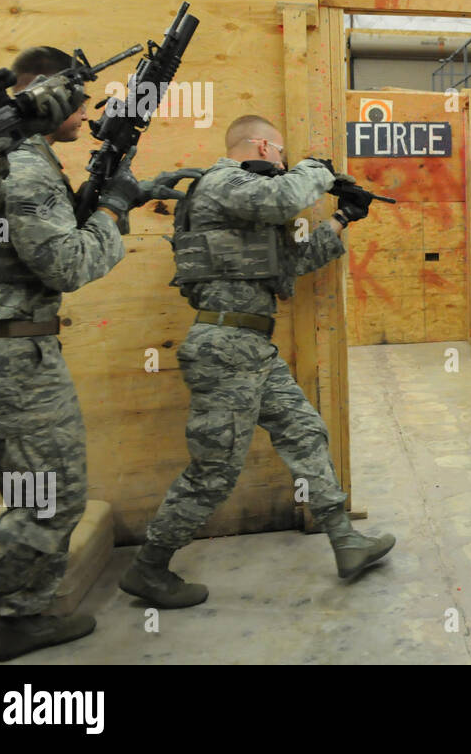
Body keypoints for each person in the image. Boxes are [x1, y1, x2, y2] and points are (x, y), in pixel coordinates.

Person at [120, 114, 394, 610]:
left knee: (304, 433)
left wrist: (343, 218)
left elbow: (295, 258)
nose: (287, 162)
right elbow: (284, 198)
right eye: (284, 153)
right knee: (215, 471)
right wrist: (318, 170)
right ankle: (149, 567)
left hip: (251, 348)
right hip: (225, 348)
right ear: (265, 145)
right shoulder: (224, 182)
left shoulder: (245, 206)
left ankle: (345, 542)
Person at [0, 45, 146, 664]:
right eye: (78, 95)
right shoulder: (26, 165)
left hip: (0, 351)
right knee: (51, 502)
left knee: (29, 494)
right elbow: (65, 264)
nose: (85, 108)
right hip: (13, 360)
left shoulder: (9, 159)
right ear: (46, 91)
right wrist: (113, 209)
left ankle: (26, 617)